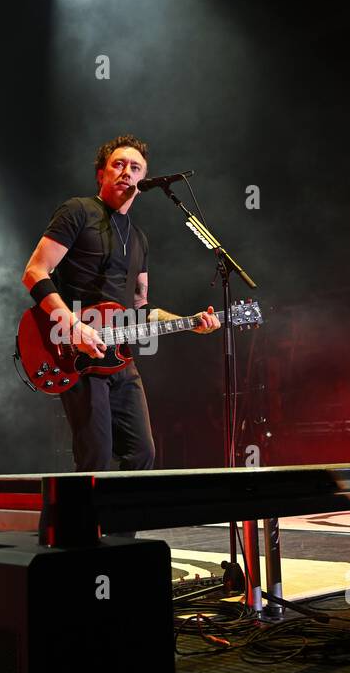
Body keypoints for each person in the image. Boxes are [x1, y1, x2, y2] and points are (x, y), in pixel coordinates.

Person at [21, 134, 219, 479]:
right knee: (94, 459)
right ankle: (73, 531)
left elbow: (142, 309)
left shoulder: (140, 238)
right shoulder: (77, 212)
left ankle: (122, 532)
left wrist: (190, 321)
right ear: (101, 173)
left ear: (143, 181)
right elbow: (35, 271)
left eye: (136, 167)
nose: (127, 171)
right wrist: (73, 326)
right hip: (76, 351)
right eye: (119, 164)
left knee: (142, 452)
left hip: (121, 357)